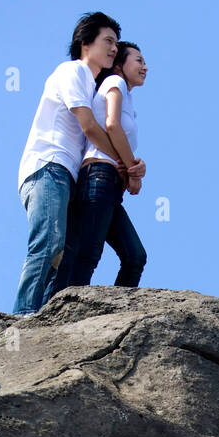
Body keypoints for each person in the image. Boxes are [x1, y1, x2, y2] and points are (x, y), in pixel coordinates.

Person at [12, 14, 145, 315]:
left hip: (71, 176)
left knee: (66, 250)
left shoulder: (92, 84)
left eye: (115, 43)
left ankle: (46, 313)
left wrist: (128, 164)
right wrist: (125, 164)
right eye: (107, 41)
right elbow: (90, 127)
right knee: (51, 243)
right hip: (49, 165)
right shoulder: (72, 71)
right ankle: (23, 317)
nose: (114, 48)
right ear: (86, 43)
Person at [51, 41, 148, 292]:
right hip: (99, 176)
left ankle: (116, 317)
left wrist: (132, 169)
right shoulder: (114, 83)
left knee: (135, 255)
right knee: (88, 254)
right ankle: (62, 315)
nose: (145, 67)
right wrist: (131, 169)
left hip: (109, 184)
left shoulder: (125, 96)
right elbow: (112, 125)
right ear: (119, 65)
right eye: (138, 60)